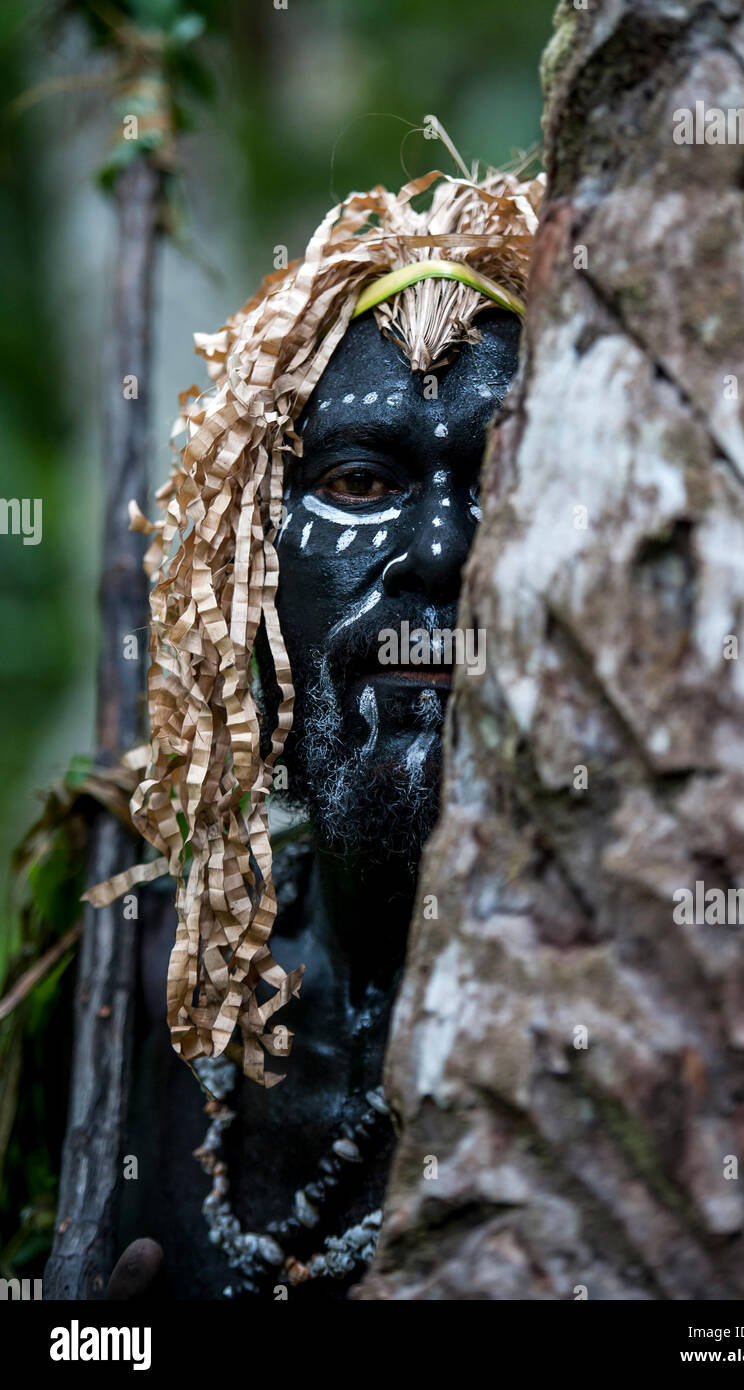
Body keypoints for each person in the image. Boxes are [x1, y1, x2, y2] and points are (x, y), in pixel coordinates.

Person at [100, 162, 543, 1298]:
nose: (442, 554)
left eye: (504, 475)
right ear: (250, 570)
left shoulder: (665, 998)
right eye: (358, 479)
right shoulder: (146, 976)